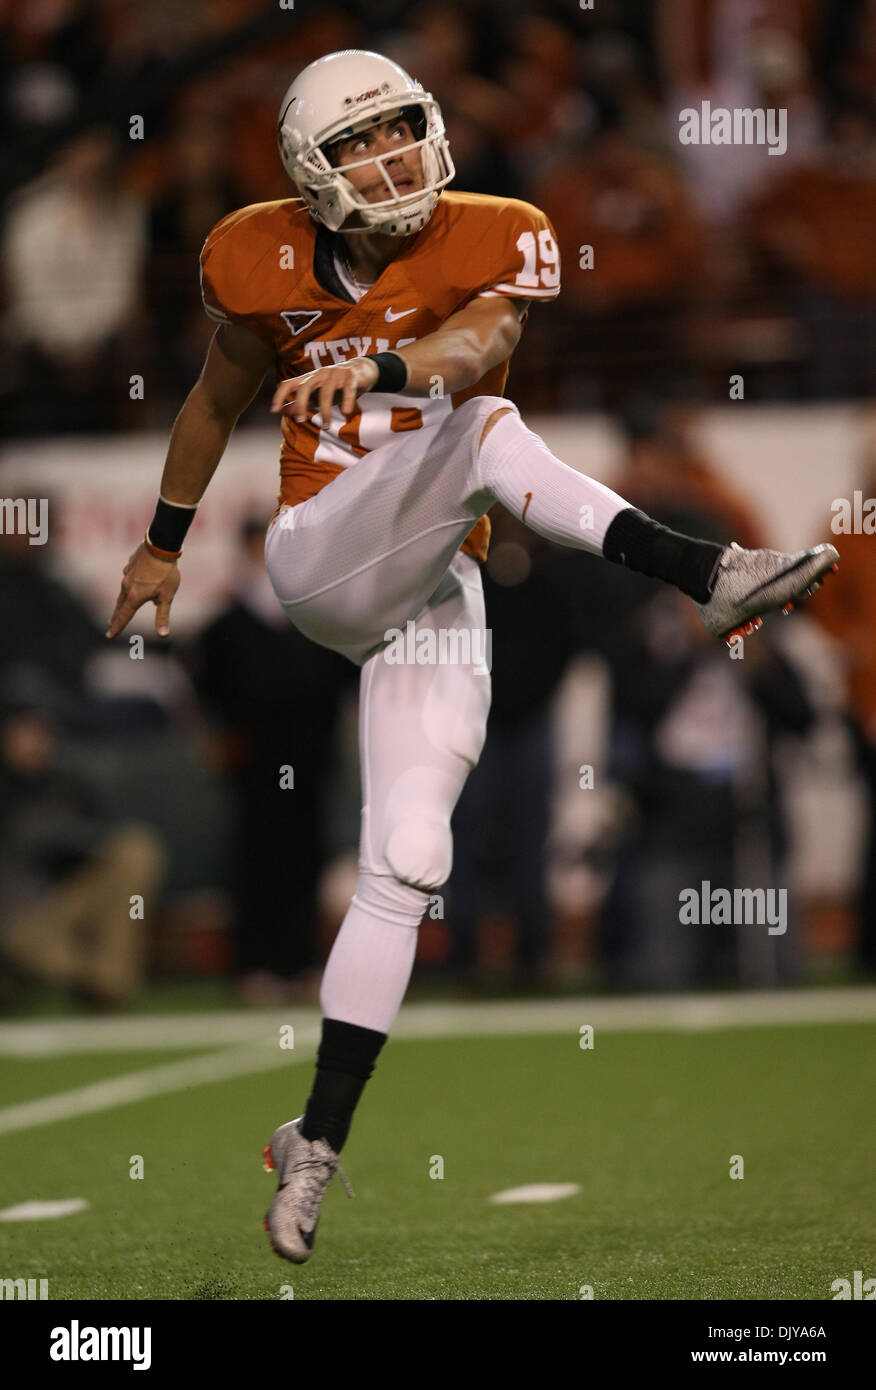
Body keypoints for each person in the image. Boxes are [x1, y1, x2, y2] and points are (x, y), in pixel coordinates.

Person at [105, 48, 839, 1264]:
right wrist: (163, 545)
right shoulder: (258, 252)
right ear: (309, 172)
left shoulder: (495, 231)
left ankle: (314, 1141)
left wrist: (383, 366)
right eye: (362, 142)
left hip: (434, 576)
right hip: (320, 554)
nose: (393, 158)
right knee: (491, 427)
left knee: (408, 856)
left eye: (404, 129)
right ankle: (707, 573)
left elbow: (475, 339)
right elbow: (215, 393)